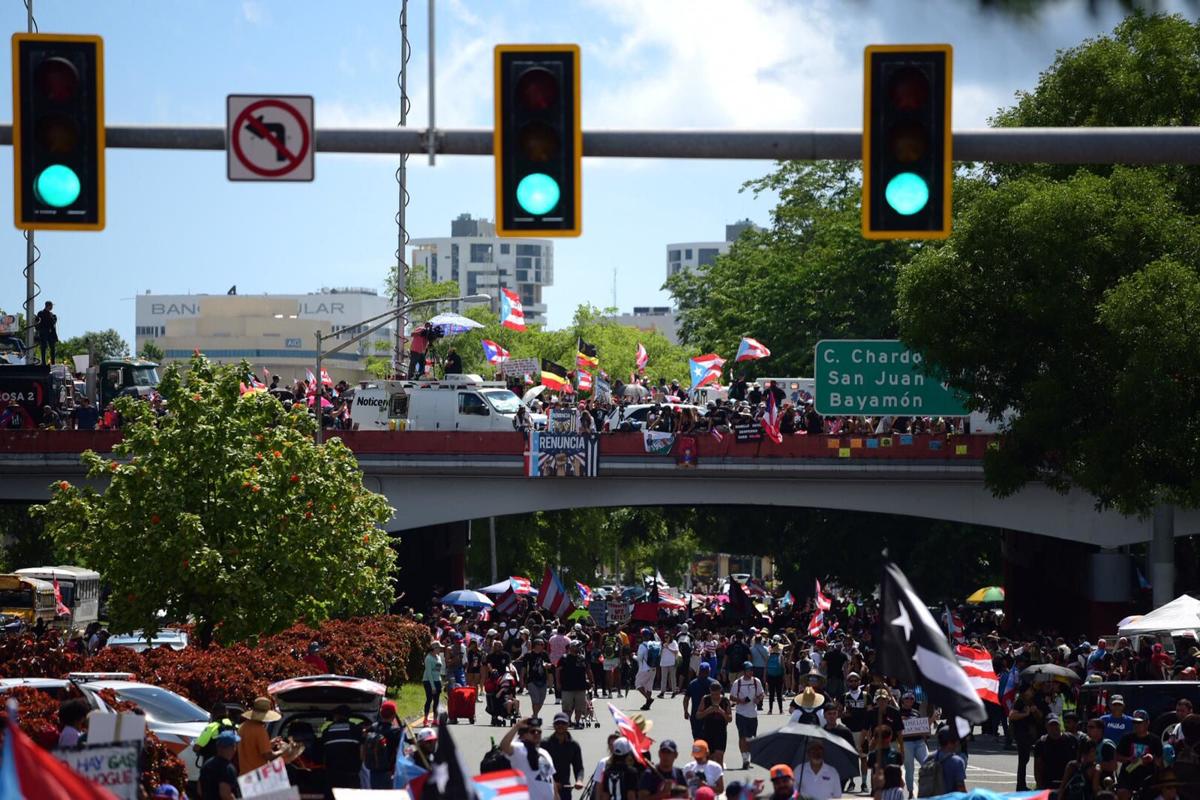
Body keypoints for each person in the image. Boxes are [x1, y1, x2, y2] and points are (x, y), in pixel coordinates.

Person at [500, 717, 559, 800]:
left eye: (539, 732)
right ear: (523, 734)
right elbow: (504, 745)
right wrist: (516, 727)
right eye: (532, 732)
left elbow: (550, 780)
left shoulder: (544, 753)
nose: (536, 734)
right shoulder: (518, 748)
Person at [1115, 708, 1161, 800]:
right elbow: (1117, 756)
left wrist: (1151, 759)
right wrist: (1129, 759)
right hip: (1128, 774)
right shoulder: (1126, 738)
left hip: (1147, 775)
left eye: (1140, 722)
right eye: (1135, 722)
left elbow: (1160, 762)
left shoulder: (1155, 740)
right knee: (1122, 793)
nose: (1137, 725)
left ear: (1147, 723)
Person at [319, 703, 363, 791]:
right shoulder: (355, 729)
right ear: (348, 717)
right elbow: (362, 752)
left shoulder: (327, 731)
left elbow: (322, 754)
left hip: (332, 775)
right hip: (351, 774)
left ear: (336, 716)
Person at [730, 661, 764, 771]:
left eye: (752, 670)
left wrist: (758, 699)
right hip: (741, 713)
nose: (751, 672)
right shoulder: (737, 683)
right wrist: (740, 700)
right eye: (749, 670)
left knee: (751, 738)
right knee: (742, 737)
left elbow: (762, 693)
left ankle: (748, 758)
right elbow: (731, 697)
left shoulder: (756, 681)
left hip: (753, 714)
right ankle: (745, 759)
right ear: (744, 671)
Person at [361, 700, 403, 789]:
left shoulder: (372, 728)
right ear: (394, 714)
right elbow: (400, 752)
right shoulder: (396, 731)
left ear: (381, 713)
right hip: (389, 772)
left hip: (372, 771)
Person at [237, 697, 283, 775]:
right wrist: (283, 751)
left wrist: (269, 744)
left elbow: (252, 748)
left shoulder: (242, 727)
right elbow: (268, 756)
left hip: (244, 776)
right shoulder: (260, 731)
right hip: (257, 776)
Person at [544, 712, 585, 799]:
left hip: (565, 789)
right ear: (553, 725)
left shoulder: (573, 745)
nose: (560, 725)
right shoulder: (545, 744)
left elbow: (578, 767)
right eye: (557, 723)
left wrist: (579, 780)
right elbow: (538, 767)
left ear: (568, 725)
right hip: (546, 788)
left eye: (563, 723)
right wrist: (552, 783)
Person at [1034, 714, 1078, 792]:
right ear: (1046, 726)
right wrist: (1039, 785)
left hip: (1069, 782)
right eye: (1051, 725)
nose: (1054, 728)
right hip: (1048, 783)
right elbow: (1038, 767)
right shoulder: (1041, 743)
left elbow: (1078, 759)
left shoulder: (1071, 739)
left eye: (1056, 725)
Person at [199, 729, 242, 800]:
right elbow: (225, 794)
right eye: (235, 745)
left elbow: (199, 790)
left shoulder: (207, 764)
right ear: (232, 747)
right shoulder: (228, 768)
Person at [559, 640, 592, 727]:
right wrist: (558, 683)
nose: (579, 648)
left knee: (579, 706)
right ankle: (568, 721)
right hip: (567, 686)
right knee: (567, 707)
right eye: (577, 646)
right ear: (571, 647)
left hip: (580, 686)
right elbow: (557, 671)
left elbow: (588, 670)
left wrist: (591, 681)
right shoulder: (564, 658)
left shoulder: (582, 658)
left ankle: (577, 722)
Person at [684, 663, 717, 743]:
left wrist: (685, 711)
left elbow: (686, 699)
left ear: (699, 671)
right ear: (709, 671)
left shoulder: (692, 683)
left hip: (696, 716)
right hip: (712, 715)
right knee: (710, 739)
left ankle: (698, 753)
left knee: (697, 738)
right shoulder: (715, 684)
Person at [522, 637, 552, 718]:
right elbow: (524, 668)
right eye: (540, 644)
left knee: (541, 700)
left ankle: (534, 714)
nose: (542, 646)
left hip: (543, 680)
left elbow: (550, 668)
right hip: (532, 680)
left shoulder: (545, 654)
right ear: (535, 645)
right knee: (535, 700)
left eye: (543, 644)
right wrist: (521, 680)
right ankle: (535, 715)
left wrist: (550, 681)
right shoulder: (528, 655)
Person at [934, 727, 967, 794]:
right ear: (949, 743)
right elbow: (961, 787)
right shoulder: (957, 762)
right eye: (955, 740)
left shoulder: (928, 758)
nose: (957, 743)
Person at [637, 628, 662, 711]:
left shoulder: (642, 646)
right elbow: (660, 642)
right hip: (653, 668)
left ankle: (648, 699)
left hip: (644, 668)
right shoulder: (655, 644)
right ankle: (647, 705)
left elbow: (639, 658)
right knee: (649, 686)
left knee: (638, 685)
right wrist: (655, 633)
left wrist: (633, 656)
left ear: (643, 636)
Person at [423, 640, 445, 722]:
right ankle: (425, 718)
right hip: (428, 681)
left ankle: (435, 719)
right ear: (434, 648)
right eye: (439, 648)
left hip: (437, 680)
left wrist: (440, 682)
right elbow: (429, 673)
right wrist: (432, 686)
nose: (440, 649)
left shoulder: (438, 657)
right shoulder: (428, 658)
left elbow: (438, 671)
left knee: (437, 700)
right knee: (429, 699)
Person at [34, 301, 57, 365]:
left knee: (52, 348)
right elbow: (36, 322)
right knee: (43, 347)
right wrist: (37, 331)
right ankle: (43, 362)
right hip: (43, 333)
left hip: (51, 334)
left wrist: (52, 317)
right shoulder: (40, 313)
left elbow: (54, 323)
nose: (52, 307)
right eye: (51, 306)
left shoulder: (52, 314)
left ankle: (53, 363)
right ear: (48, 306)